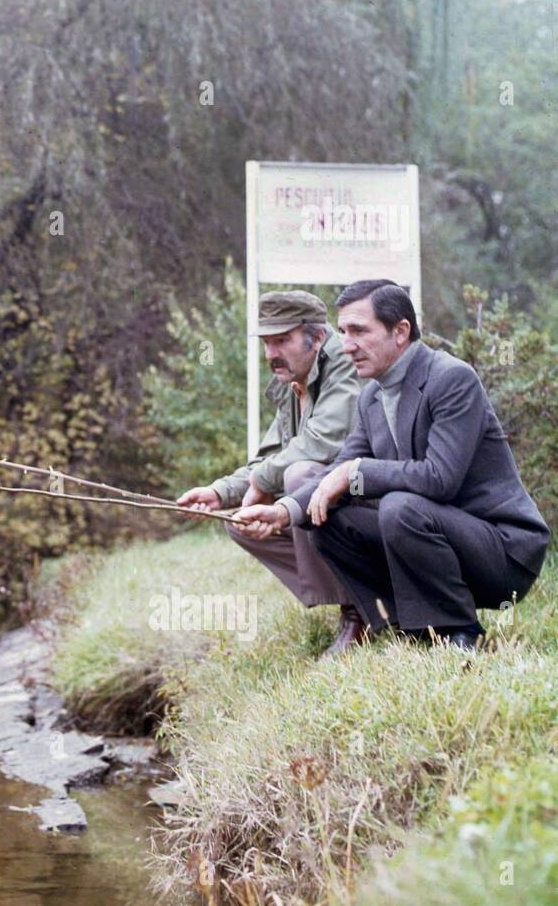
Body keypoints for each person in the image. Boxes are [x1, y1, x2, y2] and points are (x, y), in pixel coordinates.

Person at [234, 279, 551, 652]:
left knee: (401, 508)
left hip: (502, 553)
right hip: (440, 539)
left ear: (400, 331)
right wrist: (284, 512)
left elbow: (439, 479)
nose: (347, 345)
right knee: (323, 514)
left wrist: (356, 473)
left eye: (359, 331)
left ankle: (462, 631)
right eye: (343, 332)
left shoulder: (451, 378)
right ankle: (398, 622)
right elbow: (337, 467)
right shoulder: (371, 396)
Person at [176, 289, 365, 654]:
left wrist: (264, 481)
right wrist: (220, 492)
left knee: (299, 476)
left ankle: (359, 612)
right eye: (266, 342)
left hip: (378, 494)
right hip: (339, 503)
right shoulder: (294, 378)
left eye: (282, 340)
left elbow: (323, 441)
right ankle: (360, 596)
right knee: (242, 523)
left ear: (318, 337)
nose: (271, 354)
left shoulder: (343, 361)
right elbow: (271, 455)